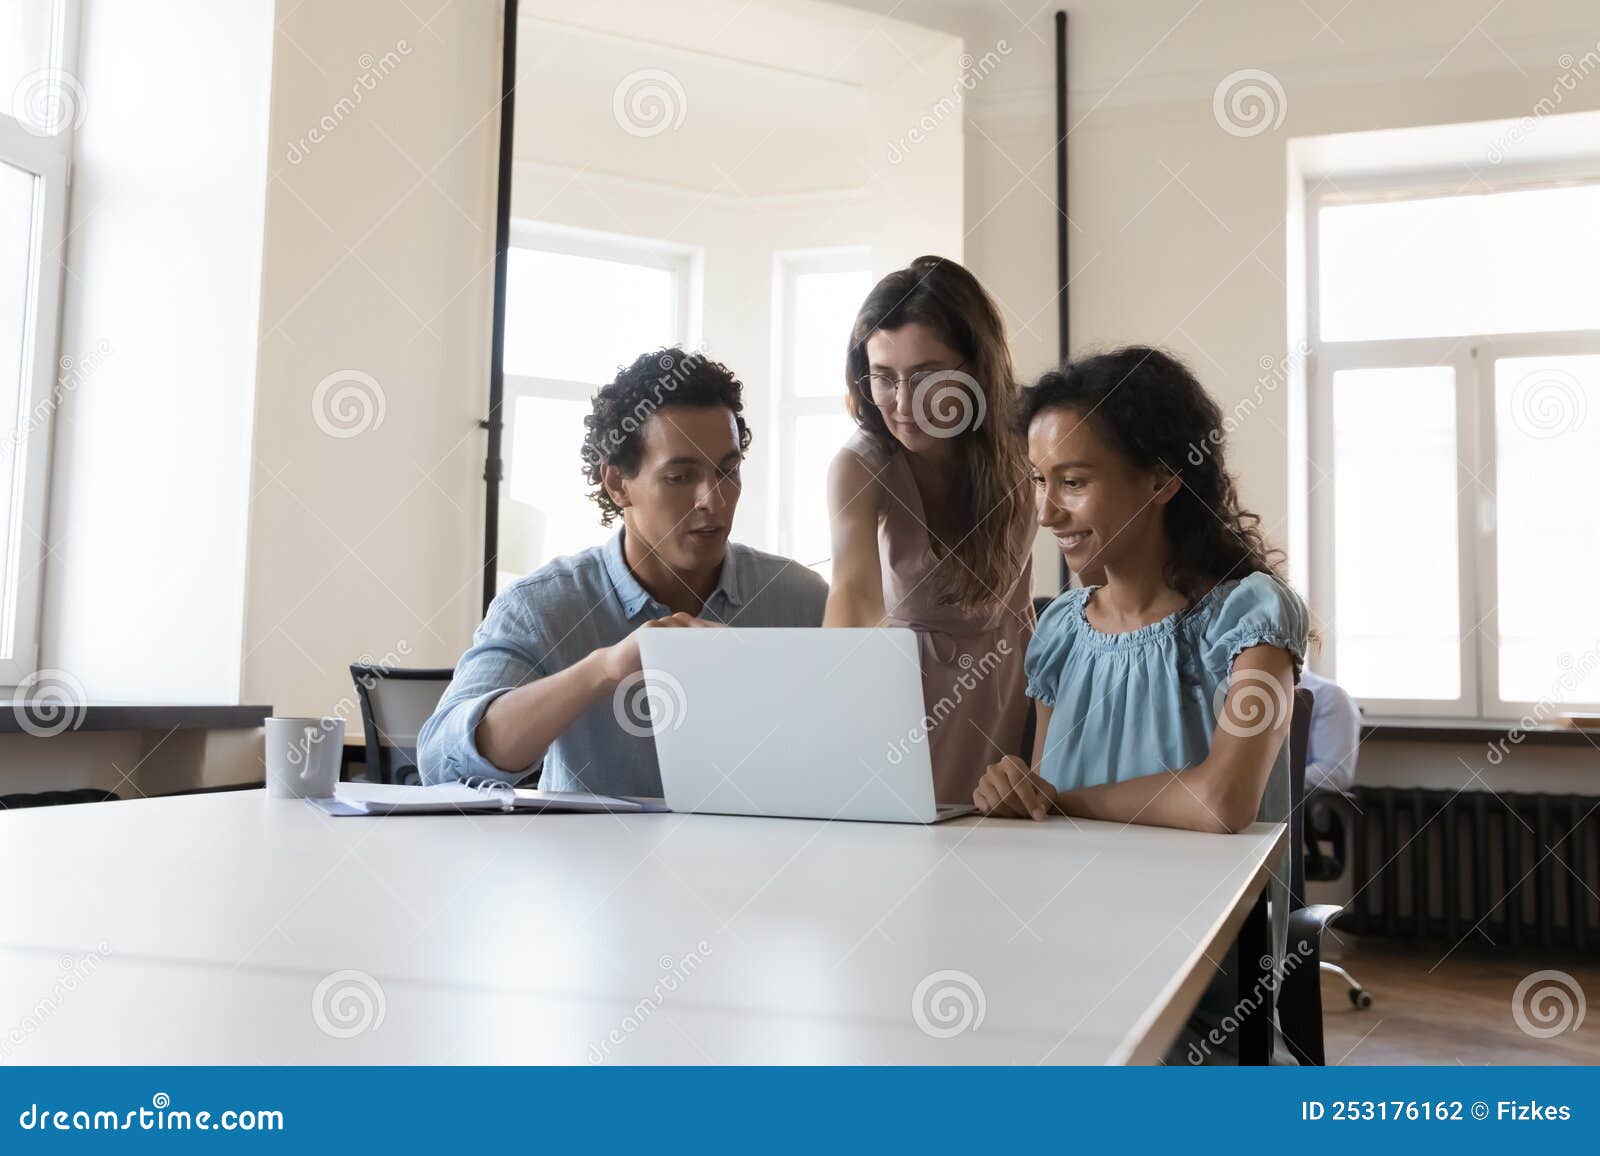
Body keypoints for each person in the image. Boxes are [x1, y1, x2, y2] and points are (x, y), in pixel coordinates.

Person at [971, 345, 1309, 1063]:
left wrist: (1062, 799)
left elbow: (1221, 802)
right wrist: (1016, 794)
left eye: (1073, 482)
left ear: (1160, 478)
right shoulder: (1060, 630)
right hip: (1066, 963)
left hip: (1193, 996)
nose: (1046, 511)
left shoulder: (1253, 616)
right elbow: (1043, 808)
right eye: (1038, 481)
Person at [417, 348, 828, 795]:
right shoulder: (541, 606)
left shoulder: (803, 601)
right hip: (592, 846)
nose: (713, 500)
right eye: (680, 477)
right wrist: (605, 669)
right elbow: (442, 766)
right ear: (617, 484)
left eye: (727, 472)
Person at [824, 256, 1036, 803]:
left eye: (925, 376)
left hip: (1014, 691)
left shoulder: (1028, 439)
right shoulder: (860, 466)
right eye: (883, 377)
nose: (903, 403)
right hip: (905, 708)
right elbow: (852, 604)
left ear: (975, 368)